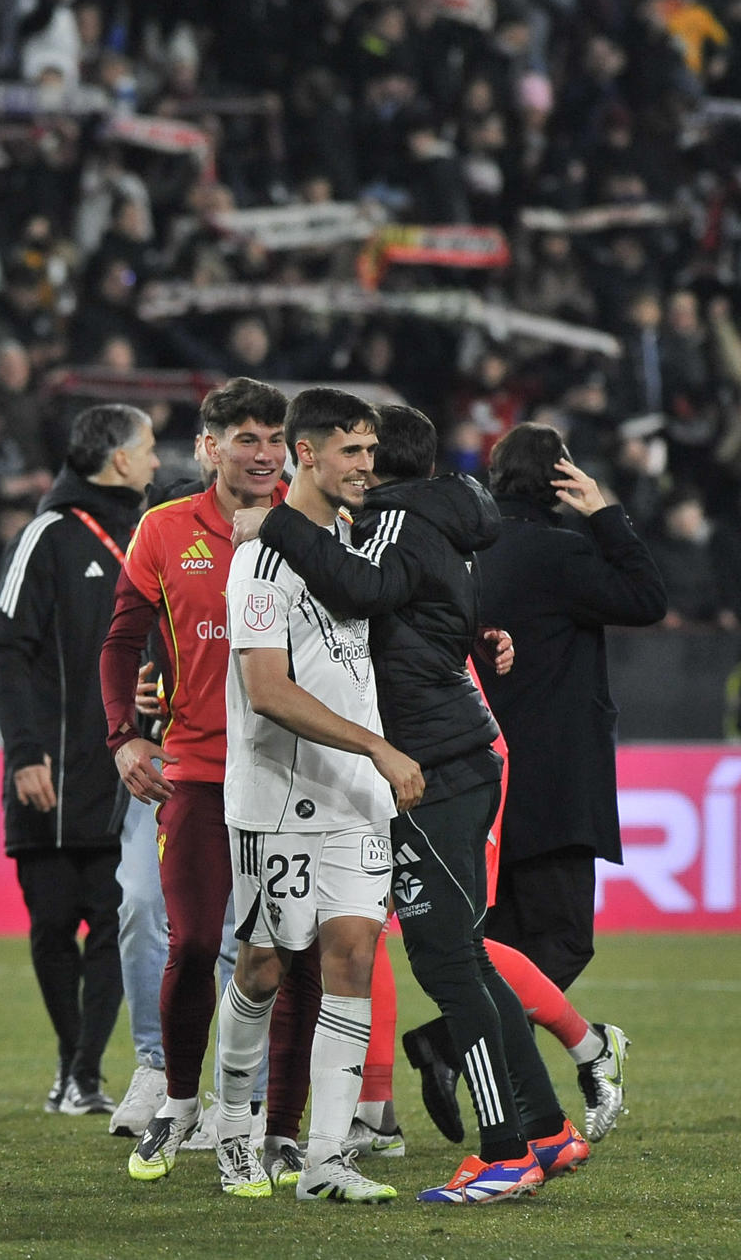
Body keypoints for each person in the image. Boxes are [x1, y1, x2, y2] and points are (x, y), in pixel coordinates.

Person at [245, 401, 591, 1204]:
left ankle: (505, 1152)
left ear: (380, 464)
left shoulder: (399, 522)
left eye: (366, 455)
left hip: (431, 767)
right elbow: (420, 615)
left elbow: (367, 592)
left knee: (447, 963)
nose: (358, 471)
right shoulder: (443, 518)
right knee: (466, 959)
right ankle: (546, 1127)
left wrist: (275, 523)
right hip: (449, 757)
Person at [99, 378, 320, 1186]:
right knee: (192, 941)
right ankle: (181, 1104)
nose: (263, 455)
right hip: (195, 769)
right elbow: (121, 641)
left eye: (274, 440)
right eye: (246, 439)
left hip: (299, 771)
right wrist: (124, 735)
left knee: (291, 952)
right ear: (209, 447)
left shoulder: (316, 527)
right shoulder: (161, 530)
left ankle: (282, 1129)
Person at [215, 390, 418, 1203]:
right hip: (276, 799)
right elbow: (265, 689)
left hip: (356, 798)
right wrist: (375, 743)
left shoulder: (356, 548)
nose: (368, 468)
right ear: (306, 454)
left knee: (354, 960)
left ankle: (327, 1160)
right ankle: (234, 1132)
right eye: (353, 453)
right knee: (262, 967)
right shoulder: (259, 559)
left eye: (371, 453)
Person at [0, 402, 159, 1117]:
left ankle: (85, 1071)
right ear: (118, 459)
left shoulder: (154, 535)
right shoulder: (48, 536)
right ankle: (72, 1063)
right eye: (146, 448)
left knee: (120, 918)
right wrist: (24, 753)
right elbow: (4, 653)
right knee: (55, 921)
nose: (153, 460)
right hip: (51, 770)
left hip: (128, 769)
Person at [474, 425, 667, 988]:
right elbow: (647, 599)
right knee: (562, 940)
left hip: (481, 772)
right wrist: (604, 513)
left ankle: (485, 1067)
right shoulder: (563, 554)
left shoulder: (468, 552)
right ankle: (445, 1044)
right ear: (561, 480)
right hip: (553, 784)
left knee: (502, 942)